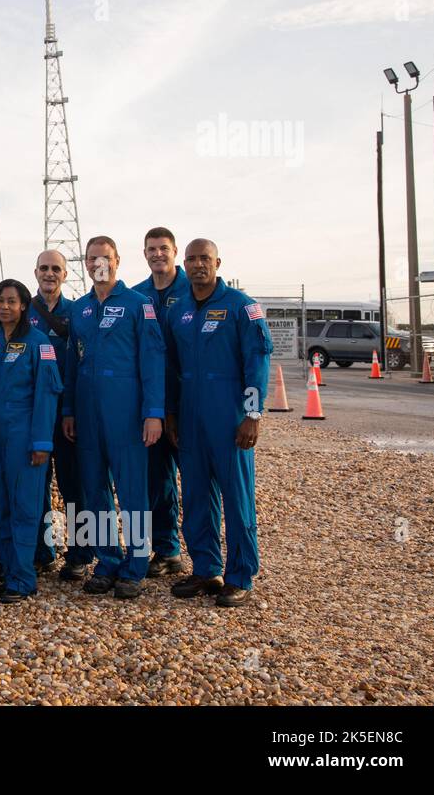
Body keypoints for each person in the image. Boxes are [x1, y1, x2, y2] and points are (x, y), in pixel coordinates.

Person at [165, 239, 272, 608]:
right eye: (191, 259)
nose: (197, 265)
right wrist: (172, 414)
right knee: (195, 497)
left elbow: (257, 362)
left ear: (217, 262)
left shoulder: (241, 306)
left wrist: (252, 415)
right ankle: (206, 568)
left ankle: (240, 575)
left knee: (236, 498)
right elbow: (171, 368)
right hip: (190, 415)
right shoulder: (178, 311)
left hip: (229, 415)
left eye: (204, 259)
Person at [63, 236, 165, 599]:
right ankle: (107, 560)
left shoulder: (140, 305)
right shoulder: (80, 309)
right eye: (92, 258)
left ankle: (135, 566)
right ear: (86, 264)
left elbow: (153, 362)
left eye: (104, 257)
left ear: (117, 261)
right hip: (88, 413)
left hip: (127, 412)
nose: (98, 264)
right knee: (95, 491)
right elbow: (73, 364)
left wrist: (154, 414)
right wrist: (70, 410)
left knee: (132, 490)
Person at [0, 279, 63, 602]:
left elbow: (47, 396)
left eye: (12, 301)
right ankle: (9, 570)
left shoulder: (39, 344)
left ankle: (23, 579)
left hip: (25, 436)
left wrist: (41, 443)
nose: (5, 306)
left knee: (24, 506)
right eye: (0, 301)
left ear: (24, 306)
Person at [29, 250, 92, 581]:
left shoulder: (79, 312)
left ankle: (80, 553)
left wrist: (73, 410)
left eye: (56, 268)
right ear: (35, 272)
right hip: (33, 414)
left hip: (68, 415)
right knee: (36, 484)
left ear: (65, 274)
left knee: (73, 485)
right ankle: (42, 551)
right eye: (44, 268)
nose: (49, 274)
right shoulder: (24, 312)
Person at [132, 227, 190, 577]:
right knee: (157, 481)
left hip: (188, 404)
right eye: (152, 249)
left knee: (196, 483)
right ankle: (166, 549)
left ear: (175, 252)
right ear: (144, 254)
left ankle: (208, 559)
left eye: (163, 249)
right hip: (151, 406)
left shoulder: (195, 290)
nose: (158, 255)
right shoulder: (137, 296)